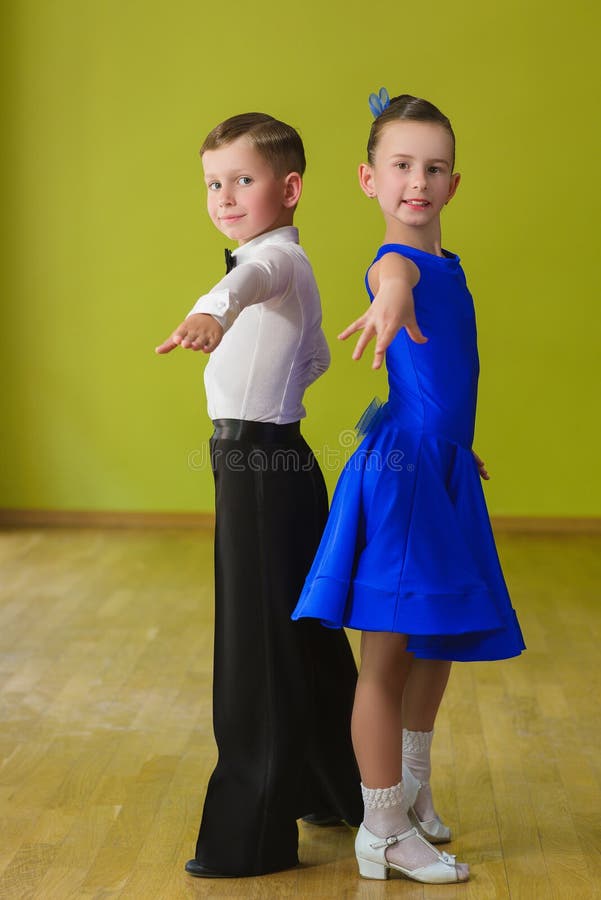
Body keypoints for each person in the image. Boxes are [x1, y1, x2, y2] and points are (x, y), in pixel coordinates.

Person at [292, 90, 525, 885]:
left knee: (438, 643)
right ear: (368, 179)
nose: (416, 182)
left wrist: (457, 447)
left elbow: (440, 373)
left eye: (433, 168)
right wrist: (387, 295)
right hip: (404, 481)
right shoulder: (396, 263)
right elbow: (389, 277)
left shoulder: (447, 264)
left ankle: (413, 787)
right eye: (400, 166)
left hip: (441, 467)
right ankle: (381, 829)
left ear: (453, 184)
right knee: (387, 656)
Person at [156, 112, 363, 878]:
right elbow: (309, 358)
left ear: (290, 187)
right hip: (276, 464)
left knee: (256, 650)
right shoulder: (284, 264)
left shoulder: (275, 264)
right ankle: (343, 788)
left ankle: (251, 836)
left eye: (243, 180)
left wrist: (214, 309)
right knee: (301, 636)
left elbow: (247, 281)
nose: (225, 196)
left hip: (258, 468)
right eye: (214, 182)